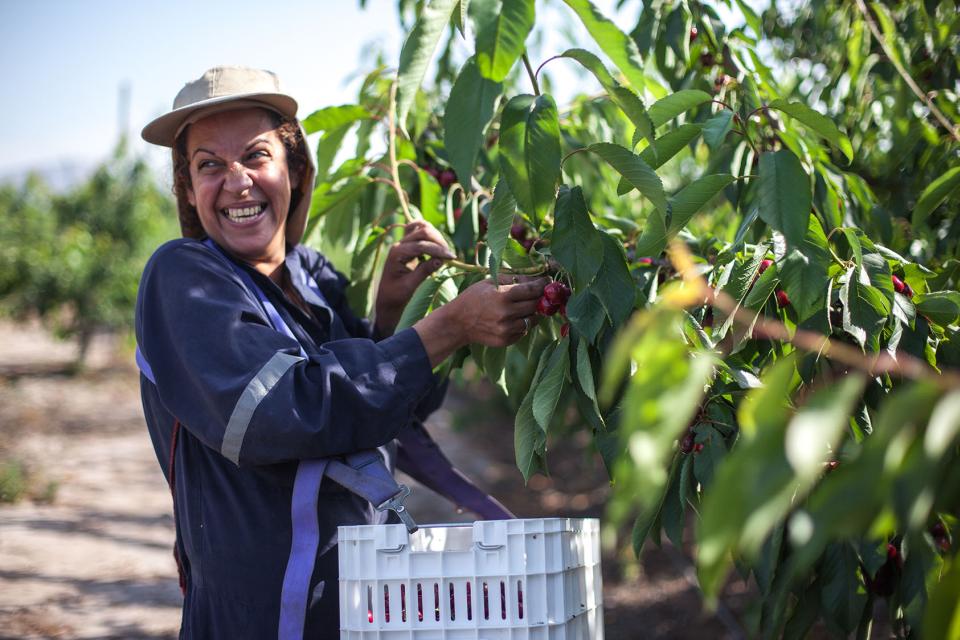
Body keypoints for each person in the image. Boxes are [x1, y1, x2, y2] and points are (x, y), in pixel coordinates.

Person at [136, 66, 546, 639]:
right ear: (186, 188)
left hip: (353, 603)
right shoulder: (184, 279)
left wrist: (391, 321)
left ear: (295, 169)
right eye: (208, 165)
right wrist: (447, 328)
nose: (236, 181)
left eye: (256, 157)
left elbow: (389, 414)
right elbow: (281, 413)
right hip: (255, 617)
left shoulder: (313, 278)